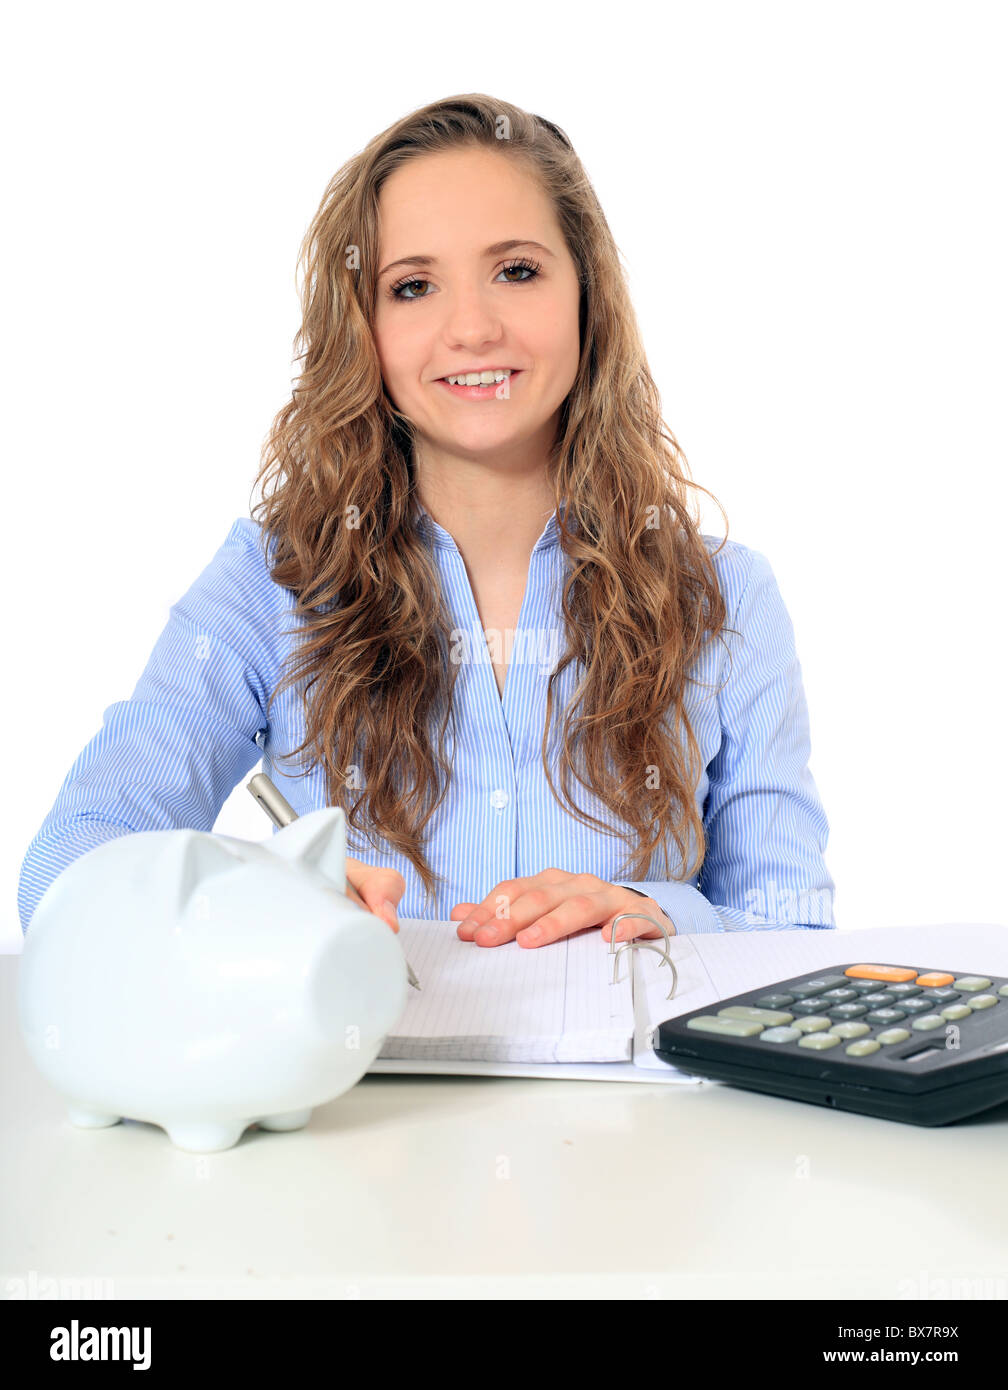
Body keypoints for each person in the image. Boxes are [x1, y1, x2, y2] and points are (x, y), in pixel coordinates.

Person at [18, 93, 836, 947]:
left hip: (629, 1083)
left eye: (517, 271)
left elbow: (797, 930)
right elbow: (64, 872)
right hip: (355, 1080)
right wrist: (254, 893)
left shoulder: (727, 596)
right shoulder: (274, 583)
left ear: (587, 295)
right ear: (364, 329)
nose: (472, 329)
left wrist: (663, 912)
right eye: (412, 287)